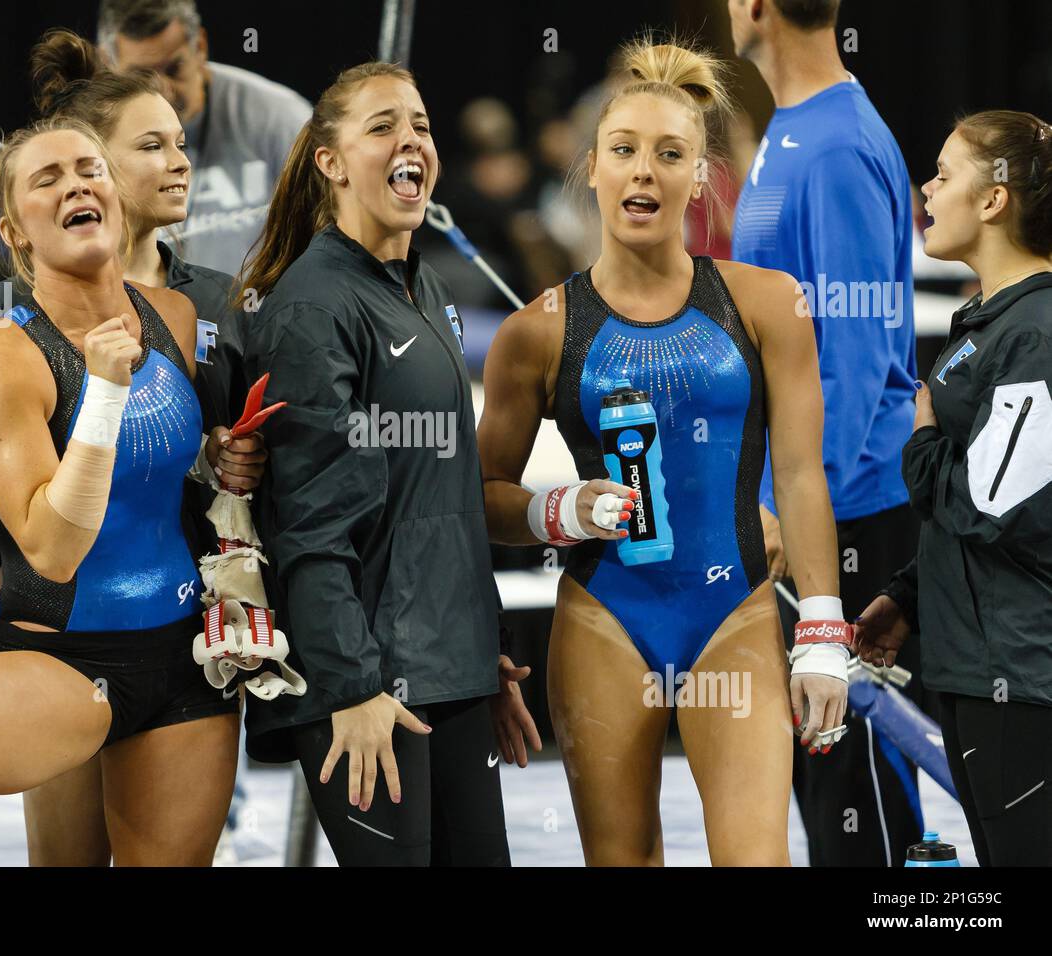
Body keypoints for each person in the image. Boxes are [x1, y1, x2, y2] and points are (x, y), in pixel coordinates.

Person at [479, 38, 852, 866]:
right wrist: (560, 508)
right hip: (609, 620)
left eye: (669, 154)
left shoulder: (764, 304)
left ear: (699, 180)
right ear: (594, 170)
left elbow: (797, 473)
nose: (644, 171)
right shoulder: (534, 332)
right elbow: (482, 496)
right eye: (625, 151)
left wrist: (824, 629)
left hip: (738, 615)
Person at [0, 30, 265, 865]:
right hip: (56, 645)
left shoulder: (203, 306)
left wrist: (230, 465)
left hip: (182, 644)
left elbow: (232, 473)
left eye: (182, 143)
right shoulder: (7, 333)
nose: (178, 163)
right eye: (151, 146)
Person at [239, 61, 539, 866]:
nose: (410, 141)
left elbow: (443, 497)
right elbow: (309, 522)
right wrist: (349, 685)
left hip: (450, 669)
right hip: (368, 684)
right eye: (382, 127)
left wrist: (484, 653)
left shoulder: (427, 286)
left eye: (421, 126)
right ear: (330, 161)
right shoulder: (313, 307)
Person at [726, 0, 923, 866]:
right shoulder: (795, 128)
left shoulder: (836, 144)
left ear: (757, 5)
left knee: (861, 796)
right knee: (825, 785)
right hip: (809, 502)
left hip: (841, 514)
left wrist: (788, 510)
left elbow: (852, 354)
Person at [856, 111, 1052, 866]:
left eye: (943, 172)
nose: (925, 190)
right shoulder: (986, 319)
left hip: (1022, 671)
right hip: (978, 659)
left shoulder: (1035, 334)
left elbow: (987, 500)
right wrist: (908, 598)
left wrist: (920, 441)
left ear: (995, 199)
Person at [97, 0, 312, 274]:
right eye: (142, 76)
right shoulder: (91, 136)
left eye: (174, 69)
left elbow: (326, 230)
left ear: (200, 46)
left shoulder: (282, 119)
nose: (163, 90)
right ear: (107, 63)